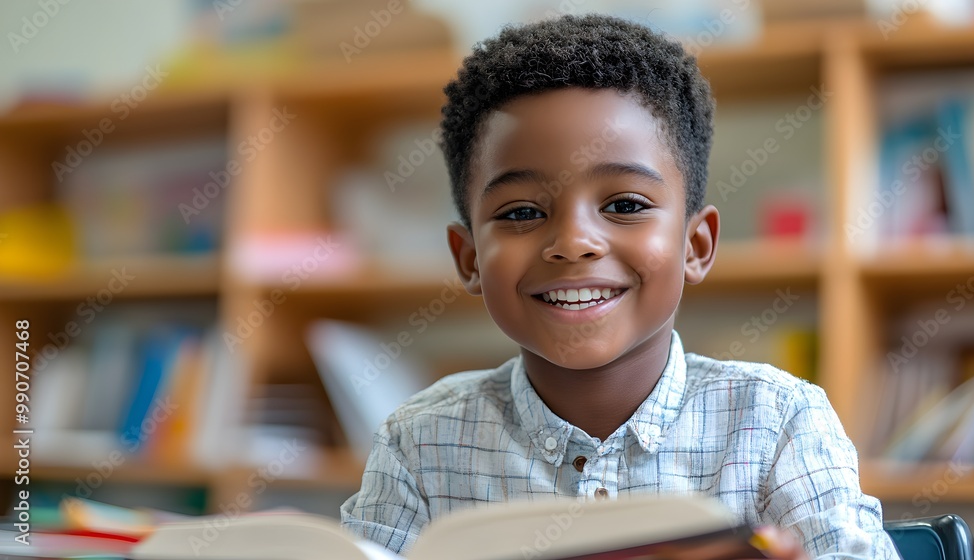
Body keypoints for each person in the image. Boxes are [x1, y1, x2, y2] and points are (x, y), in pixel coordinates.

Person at [341, 13, 900, 560]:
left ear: (695, 246)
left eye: (625, 205)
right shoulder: (418, 443)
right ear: (468, 259)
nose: (574, 242)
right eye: (521, 212)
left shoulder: (777, 421)